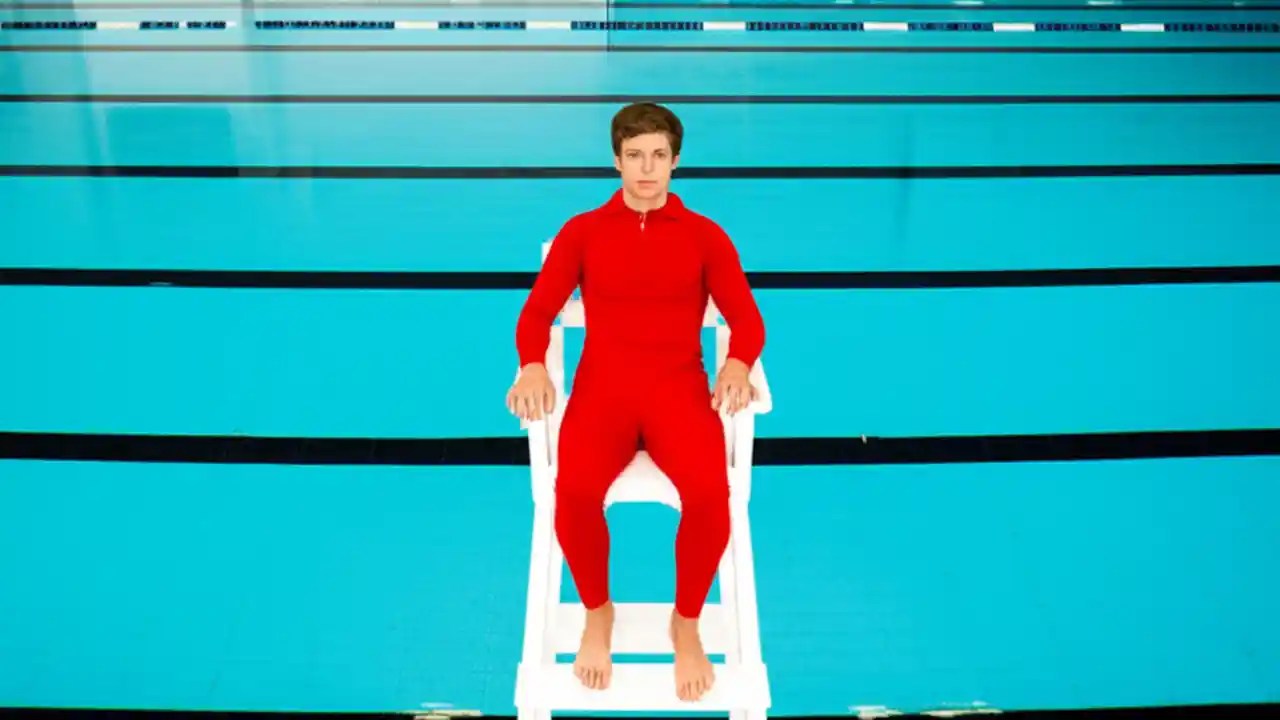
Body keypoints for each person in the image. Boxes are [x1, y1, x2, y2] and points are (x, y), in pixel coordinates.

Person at [505, 102, 765, 703]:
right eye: (634, 156)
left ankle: (687, 622)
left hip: (678, 395)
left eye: (658, 156)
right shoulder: (583, 232)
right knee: (571, 492)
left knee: (710, 496)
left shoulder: (706, 236)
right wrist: (533, 365)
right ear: (615, 160)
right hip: (602, 395)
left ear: (676, 162)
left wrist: (735, 361)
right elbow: (538, 312)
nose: (646, 169)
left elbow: (747, 320)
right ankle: (599, 613)